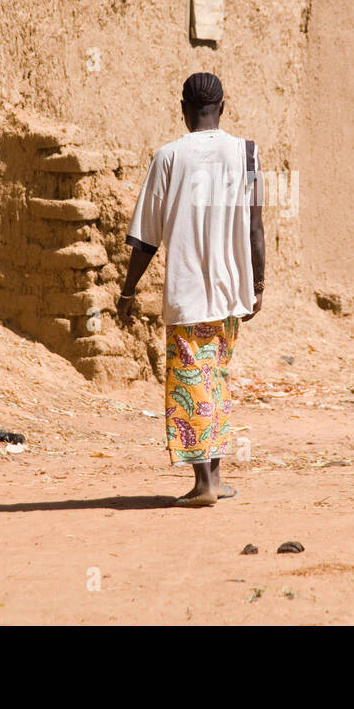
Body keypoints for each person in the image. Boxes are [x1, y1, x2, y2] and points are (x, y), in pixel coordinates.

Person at [116, 72, 265, 507]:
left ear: (184, 108)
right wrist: (257, 285)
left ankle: (203, 485)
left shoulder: (168, 157)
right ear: (224, 106)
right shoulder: (247, 153)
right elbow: (256, 227)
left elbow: (146, 238)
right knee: (214, 381)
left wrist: (127, 292)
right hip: (230, 290)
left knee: (191, 382)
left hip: (187, 291)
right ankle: (214, 479)